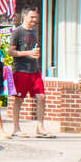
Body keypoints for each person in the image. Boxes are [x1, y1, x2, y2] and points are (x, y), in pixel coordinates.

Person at [9, 7, 51, 138]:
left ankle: (40, 128)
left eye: (36, 17)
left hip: (35, 70)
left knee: (41, 97)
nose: (35, 19)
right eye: (32, 17)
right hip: (21, 70)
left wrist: (35, 55)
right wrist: (28, 53)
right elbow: (11, 52)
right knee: (19, 100)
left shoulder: (34, 31)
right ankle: (16, 128)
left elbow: (33, 49)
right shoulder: (17, 32)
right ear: (24, 16)